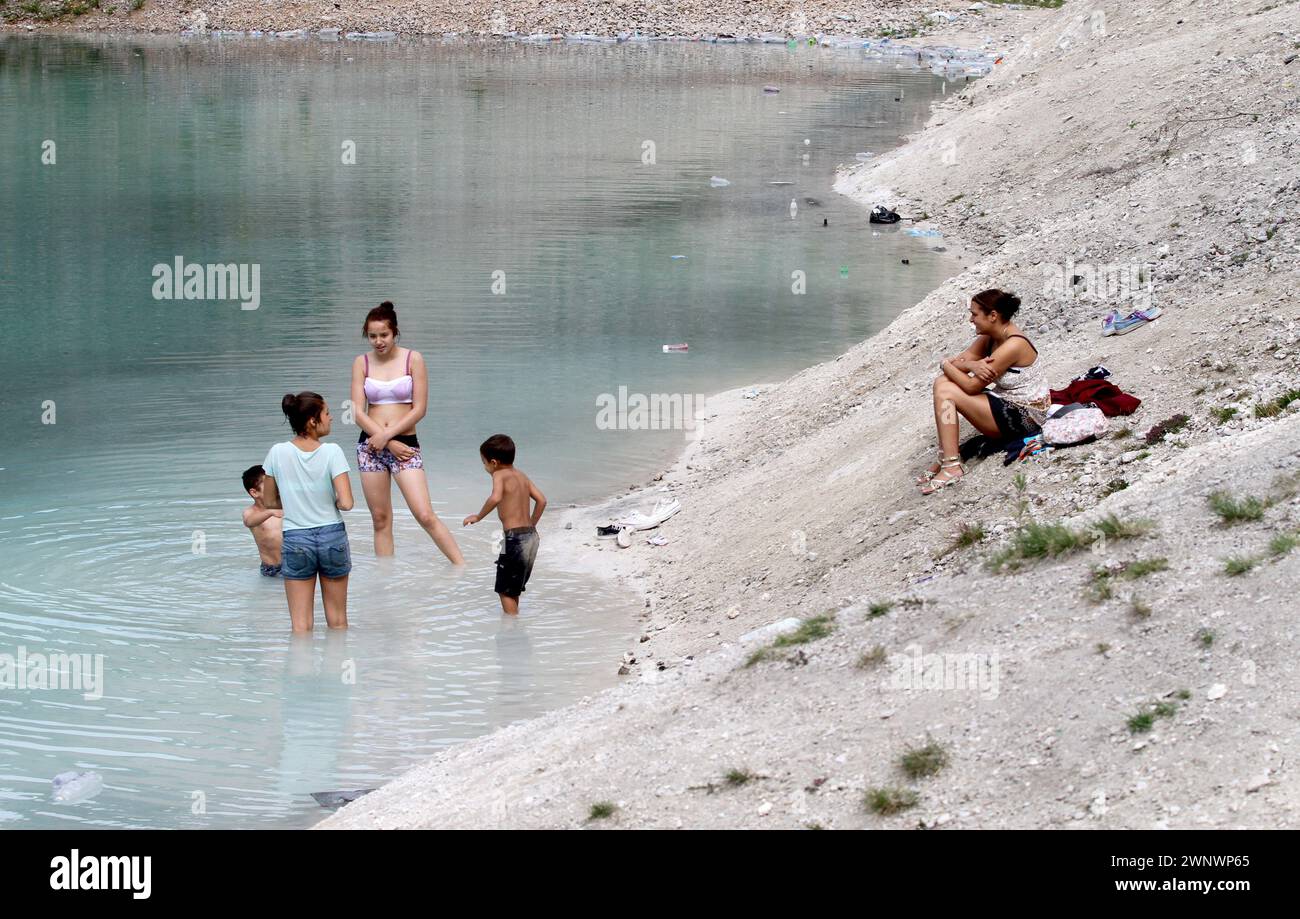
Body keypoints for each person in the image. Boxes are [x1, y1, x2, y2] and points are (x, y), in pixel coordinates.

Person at [350, 301, 464, 565]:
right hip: (371, 447)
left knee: (424, 514)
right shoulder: (361, 363)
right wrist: (384, 441)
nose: (378, 341)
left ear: (395, 332)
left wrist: (387, 438)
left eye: (384, 335)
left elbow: (420, 409)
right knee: (380, 519)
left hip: (405, 445)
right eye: (372, 336)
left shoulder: (413, 358)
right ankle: (385, 581)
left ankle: (461, 567)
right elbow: (357, 411)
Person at [919, 289, 1049, 494]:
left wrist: (945, 364)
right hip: (1008, 403)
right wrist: (971, 365)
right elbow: (959, 362)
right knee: (943, 382)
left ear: (993, 315)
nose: (971, 320)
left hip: (1026, 415)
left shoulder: (1013, 344)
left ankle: (951, 465)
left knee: (945, 389)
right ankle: (946, 456)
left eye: (974, 314)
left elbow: (972, 386)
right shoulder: (989, 338)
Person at [260, 392, 354, 631]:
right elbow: (347, 502)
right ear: (313, 421)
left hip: (296, 539)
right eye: (327, 413)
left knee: (300, 626)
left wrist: (294, 502)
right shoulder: (333, 452)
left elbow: (269, 501)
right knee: (338, 621)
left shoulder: (277, 452)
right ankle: (338, 664)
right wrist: (330, 502)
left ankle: (300, 668)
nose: (331, 418)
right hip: (332, 536)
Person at [462, 434, 546, 615]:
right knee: (513, 588)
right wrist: (531, 525)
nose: (484, 466)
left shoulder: (499, 474)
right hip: (531, 537)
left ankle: (511, 631)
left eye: (483, 462)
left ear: (493, 462)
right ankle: (515, 627)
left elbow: (496, 497)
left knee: (504, 590)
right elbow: (542, 500)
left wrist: (478, 516)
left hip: (514, 538)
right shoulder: (522, 476)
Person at [241, 464, 283, 577]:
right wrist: (270, 512)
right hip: (272, 569)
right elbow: (248, 521)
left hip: (295, 565)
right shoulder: (251, 512)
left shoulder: (285, 504)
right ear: (254, 492)